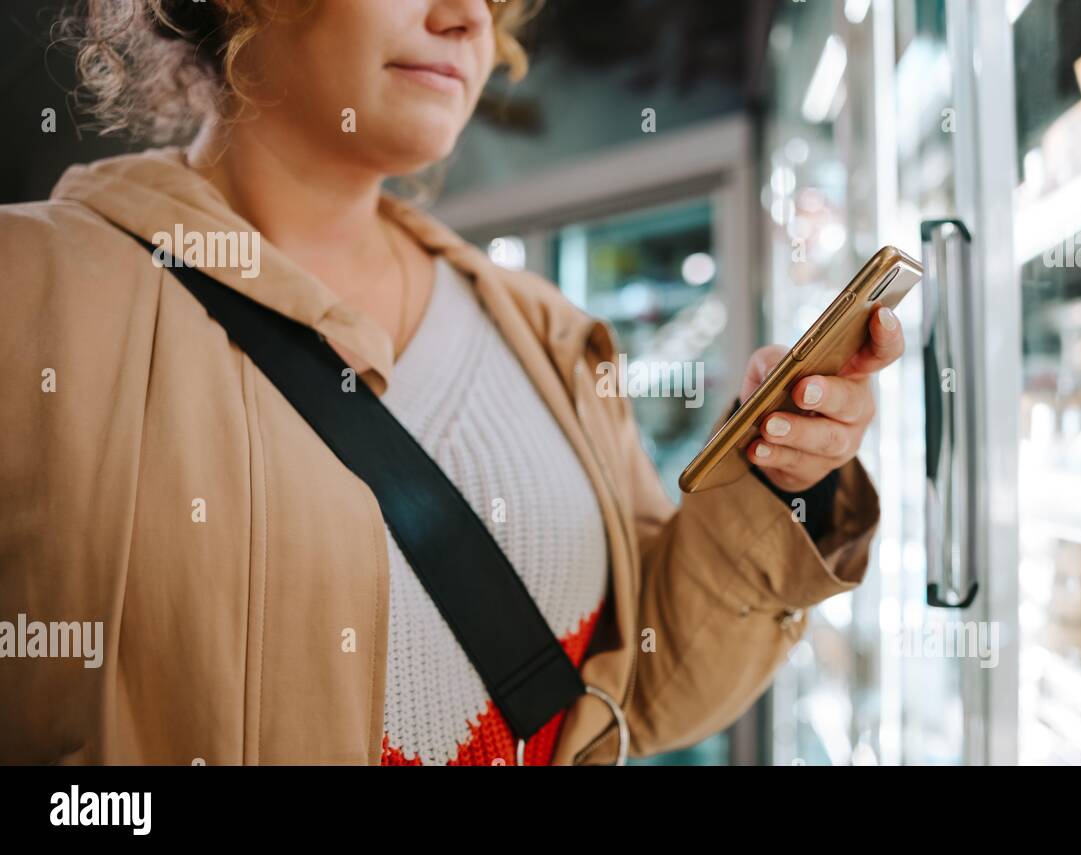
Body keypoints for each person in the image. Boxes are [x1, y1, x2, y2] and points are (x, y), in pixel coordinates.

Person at [0, 0, 901, 765]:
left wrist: (779, 487)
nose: (467, 18)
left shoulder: (544, 330)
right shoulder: (32, 294)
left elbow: (643, 683)